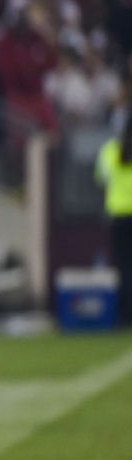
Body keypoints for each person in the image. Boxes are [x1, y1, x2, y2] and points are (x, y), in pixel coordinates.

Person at [96, 121, 132, 325]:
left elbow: (101, 179)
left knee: (125, 267)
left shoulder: (110, 151)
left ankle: (126, 314)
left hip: (119, 215)